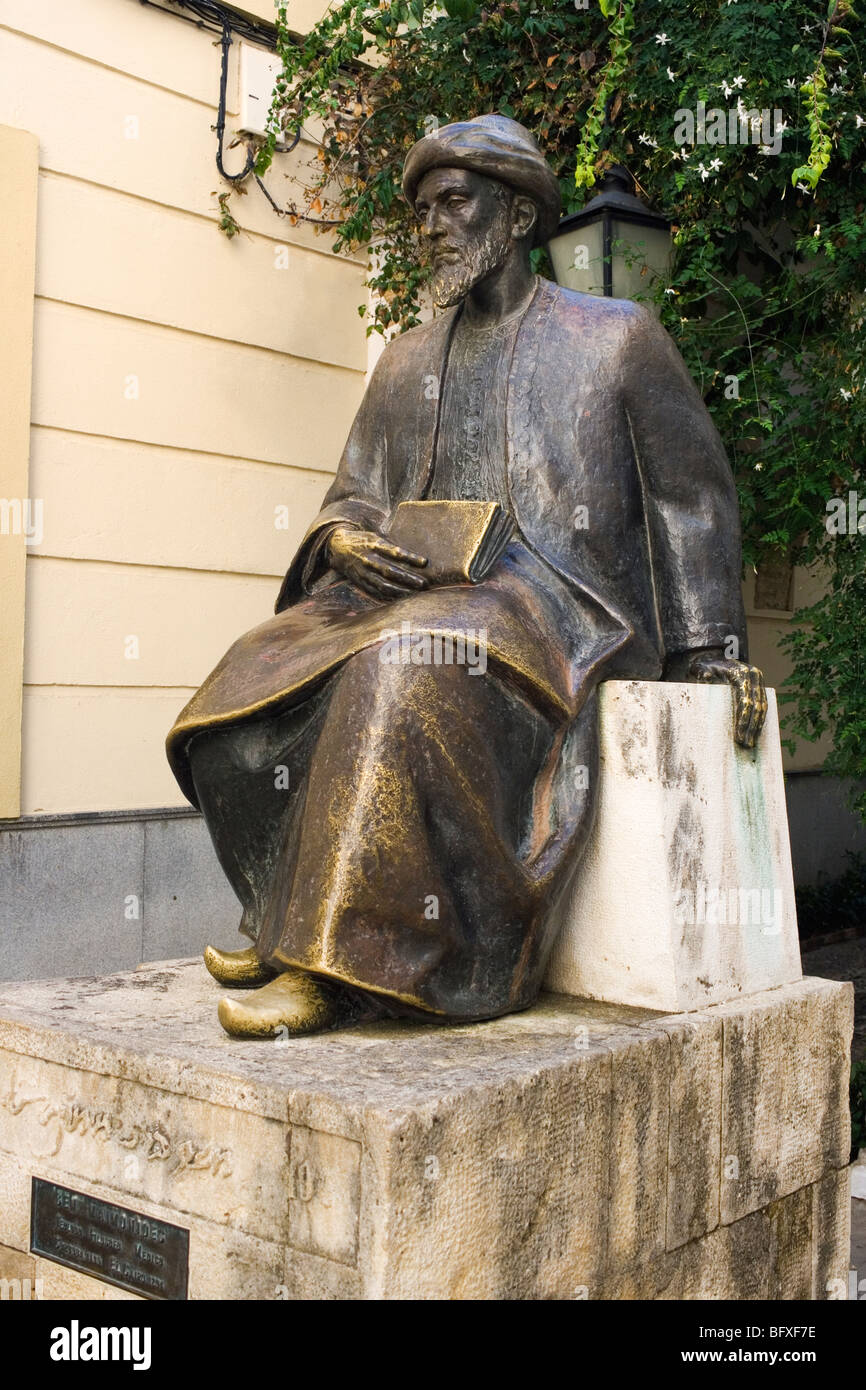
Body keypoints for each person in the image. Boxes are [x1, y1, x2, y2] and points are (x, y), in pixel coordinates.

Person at [166, 114, 767, 1039]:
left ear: (518, 215)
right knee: (251, 673)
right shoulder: (405, 359)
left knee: (405, 666)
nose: (432, 227)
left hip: (559, 607)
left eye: (453, 203)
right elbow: (352, 495)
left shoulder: (615, 339)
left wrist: (705, 646)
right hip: (406, 592)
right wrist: (342, 544)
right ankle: (286, 921)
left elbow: (692, 497)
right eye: (420, 213)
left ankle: (339, 963)